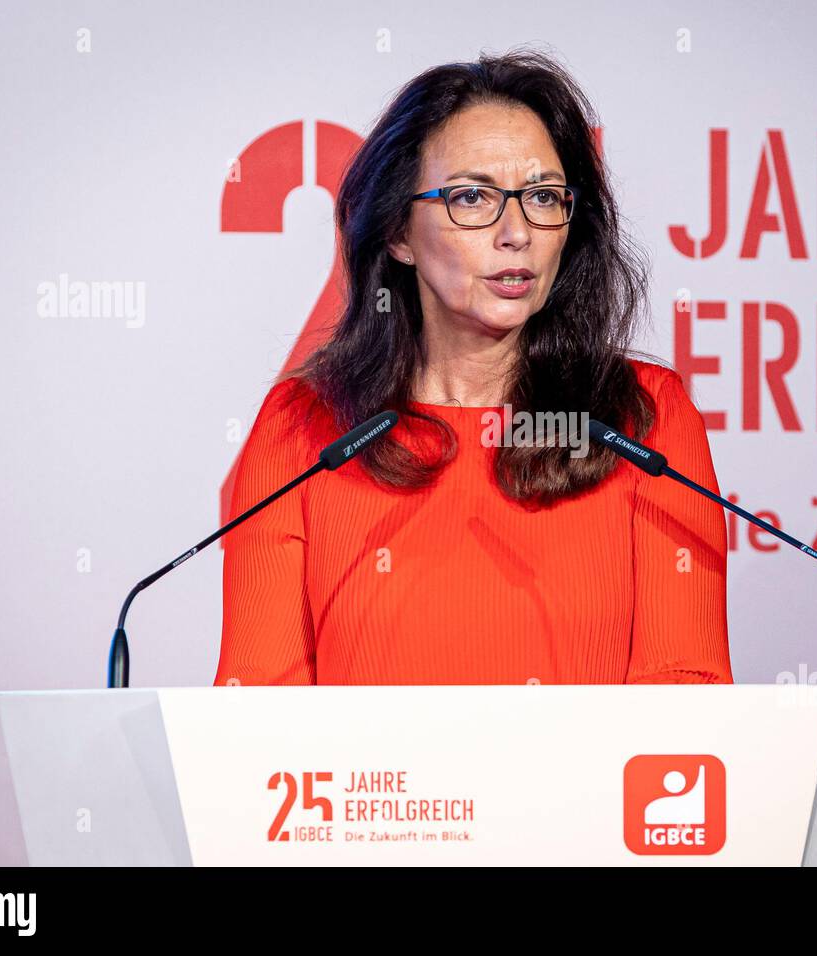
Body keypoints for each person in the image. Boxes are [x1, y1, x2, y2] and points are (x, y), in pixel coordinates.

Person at [214, 49, 732, 686]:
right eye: (472, 197)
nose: (516, 231)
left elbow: (686, 696)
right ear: (400, 233)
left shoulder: (641, 421)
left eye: (543, 196)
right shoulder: (304, 432)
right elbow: (258, 714)